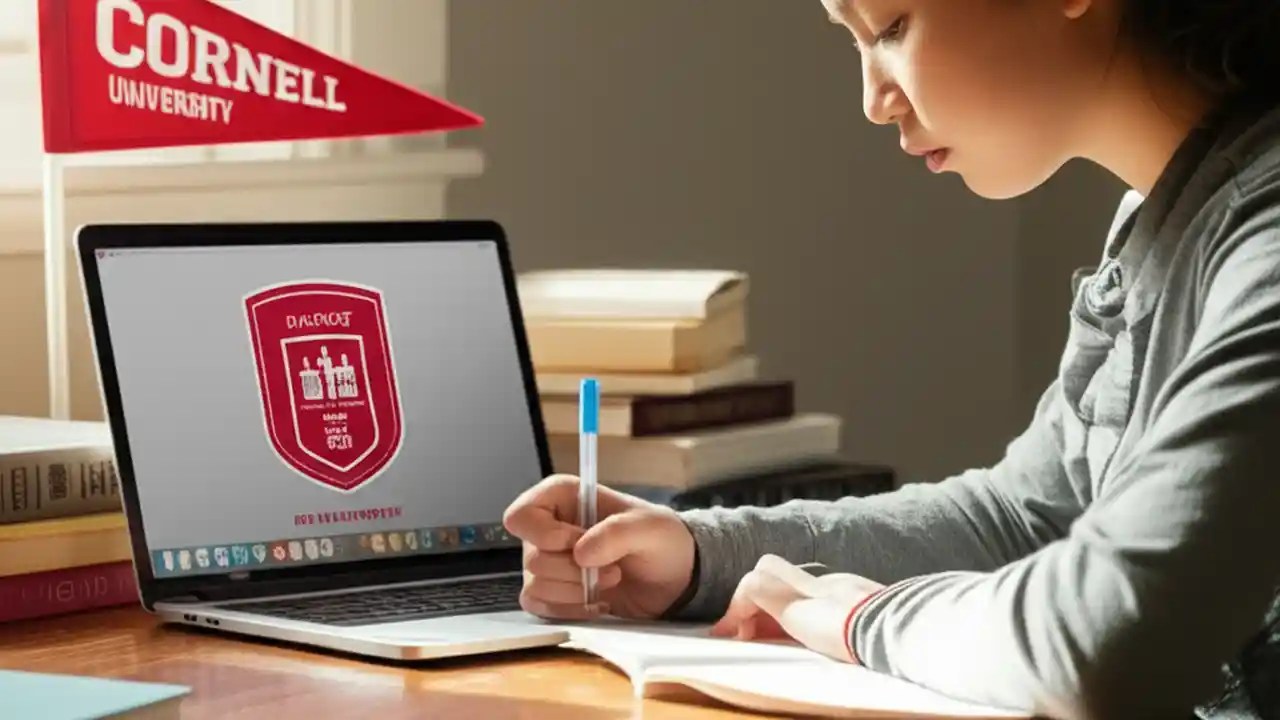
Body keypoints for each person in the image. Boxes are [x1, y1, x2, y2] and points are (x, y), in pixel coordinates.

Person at [502, 1, 1280, 718]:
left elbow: (1110, 639)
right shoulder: (1164, 219)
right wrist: (699, 556)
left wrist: (862, 618)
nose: (874, 100)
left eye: (891, 28)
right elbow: (1027, 518)